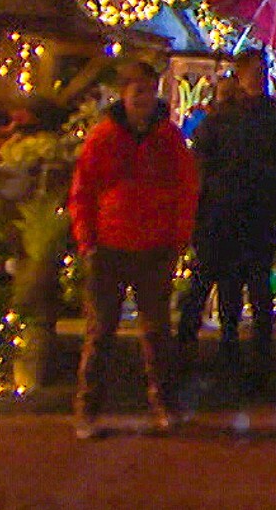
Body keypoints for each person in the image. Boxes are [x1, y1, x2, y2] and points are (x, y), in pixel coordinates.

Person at [68, 59, 198, 439]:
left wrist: (178, 237)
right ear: (124, 94)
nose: (143, 97)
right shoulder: (104, 136)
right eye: (137, 90)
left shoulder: (168, 138)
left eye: (149, 89)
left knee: (157, 332)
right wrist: (87, 240)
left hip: (155, 247)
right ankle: (88, 410)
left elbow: (185, 189)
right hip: (109, 245)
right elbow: (84, 190)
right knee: (101, 331)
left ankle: (164, 405)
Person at [175, 49, 276, 387]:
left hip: (237, 209)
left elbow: (201, 159)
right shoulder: (248, 117)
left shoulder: (234, 117)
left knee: (241, 283)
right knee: (240, 283)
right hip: (237, 209)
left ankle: (237, 352)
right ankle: (242, 353)